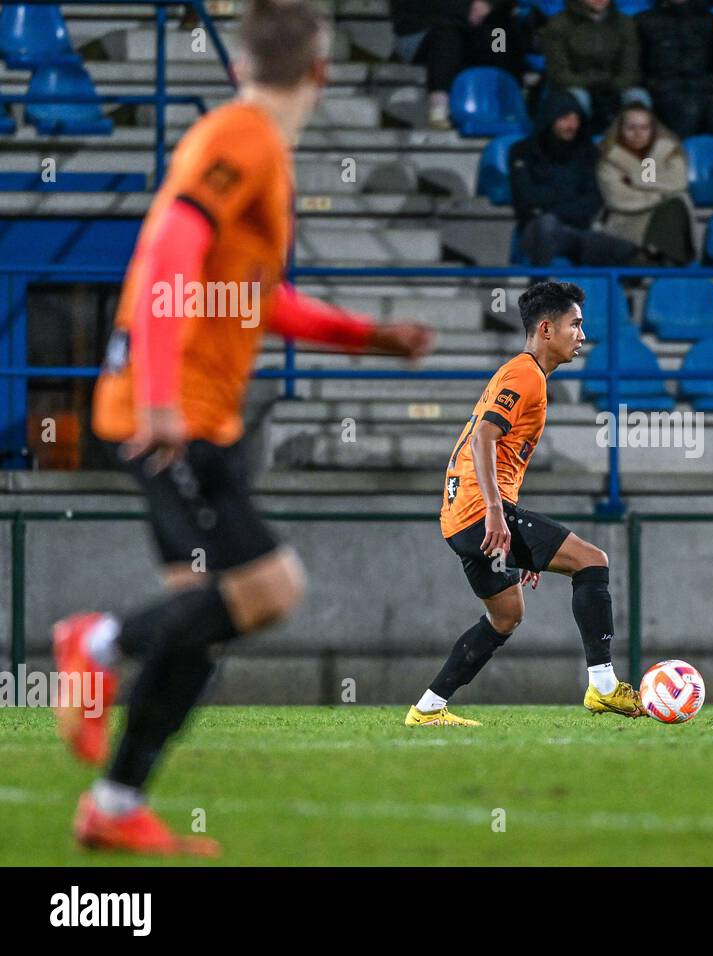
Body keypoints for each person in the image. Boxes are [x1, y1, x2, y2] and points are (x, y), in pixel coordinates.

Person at [51, 0, 434, 857]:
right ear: (323, 74)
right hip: (170, 418)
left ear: (239, 64)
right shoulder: (245, 138)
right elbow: (168, 263)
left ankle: (113, 807)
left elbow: (254, 297)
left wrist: (365, 338)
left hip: (185, 417)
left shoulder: (252, 147)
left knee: (206, 619)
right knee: (273, 590)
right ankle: (96, 642)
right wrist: (158, 398)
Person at [406, 281, 644, 727]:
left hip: (460, 519)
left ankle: (428, 708)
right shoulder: (525, 375)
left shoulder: (524, 374)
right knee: (592, 562)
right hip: (480, 513)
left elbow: (496, 452)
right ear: (547, 328)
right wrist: (499, 515)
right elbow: (482, 438)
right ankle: (605, 686)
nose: (582, 335)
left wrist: (519, 534)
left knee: (505, 616)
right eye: (576, 325)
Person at [510, 90, 643, 266]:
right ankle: (538, 288)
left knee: (625, 247)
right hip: (534, 230)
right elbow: (525, 197)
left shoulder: (588, 153)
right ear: (550, 118)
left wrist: (550, 202)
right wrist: (567, 197)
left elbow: (593, 200)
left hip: (577, 231)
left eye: (576, 118)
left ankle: (625, 288)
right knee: (547, 225)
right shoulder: (522, 151)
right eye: (565, 118)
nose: (572, 125)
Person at [391, 0, 524, 130]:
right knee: (447, 34)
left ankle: (505, 101)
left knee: (498, 34)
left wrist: (488, 4)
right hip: (422, 29)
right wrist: (467, 7)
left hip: (471, 28)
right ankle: (439, 105)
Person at [597, 105, 696, 265]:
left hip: (666, 221)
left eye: (644, 128)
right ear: (620, 129)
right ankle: (655, 262)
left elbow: (678, 182)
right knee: (672, 203)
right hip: (626, 223)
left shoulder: (668, 151)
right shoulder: (609, 157)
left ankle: (660, 261)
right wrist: (661, 193)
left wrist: (636, 179)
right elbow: (619, 198)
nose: (638, 134)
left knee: (677, 203)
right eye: (631, 128)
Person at [541, 0, 650, 130]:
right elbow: (559, 72)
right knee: (577, 97)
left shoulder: (625, 23)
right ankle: (580, 140)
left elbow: (631, 69)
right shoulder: (558, 24)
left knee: (638, 96)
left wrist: (614, 86)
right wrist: (592, 82)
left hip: (614, 87)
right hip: (577, 86)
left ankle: (636, 145)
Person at [634, 0, 713, 138]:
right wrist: (653, 85)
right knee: (689, 110)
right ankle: (676, 157)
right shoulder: (644, 20)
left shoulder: (707, 19)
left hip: (702, 88)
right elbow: (638, 64)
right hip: (664, 89)